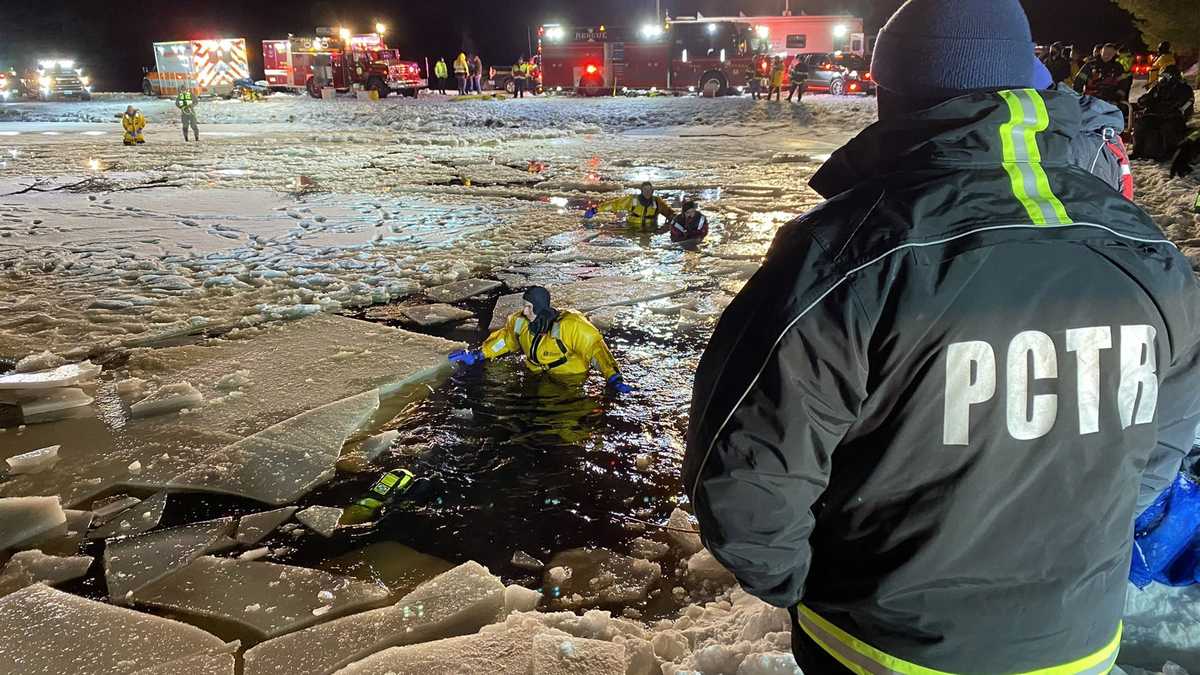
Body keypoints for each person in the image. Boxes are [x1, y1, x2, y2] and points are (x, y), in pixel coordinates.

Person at [684, 0, 1200, 673]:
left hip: (881, 648)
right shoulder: (1143, 249)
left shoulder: (843, 259)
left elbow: (743, 480)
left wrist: (810, 585)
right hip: (1079, 645)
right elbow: (1163, 444)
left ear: (891, 97)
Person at [449, 286, 632, 393]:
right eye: (524, 306)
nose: (524, 311)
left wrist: (613, 377)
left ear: (540, 307)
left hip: (570, 380)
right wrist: (479, 354)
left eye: (529, 307)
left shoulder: (571, 326)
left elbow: (596, 351)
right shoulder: (520, 322)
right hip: (535, 375)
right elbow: (506, 340)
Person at [1133, 65, 1196, 161]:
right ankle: (1137, 151)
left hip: (1174, 116)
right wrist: (1145, 101)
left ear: (1173, 76)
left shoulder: (1184, 88)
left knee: (1167, 127)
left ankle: (1168, 152)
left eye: (1166, 76)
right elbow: (1145, 98)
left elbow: (1185, 103)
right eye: (1162, 76)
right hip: (1156, 114)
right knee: (1141, 124)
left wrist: (1173, 108)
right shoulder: (1158, 87)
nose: (1163, 78)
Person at [584, 181, 675, 230]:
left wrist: (674, 219)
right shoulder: (632, 200)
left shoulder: (657, 202)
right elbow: (614, 204)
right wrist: (595, 210)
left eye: (649, 190)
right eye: (645, 190)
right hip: (631, 227)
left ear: (652, 191)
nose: (647, 192)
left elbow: (669, 213)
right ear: (641, 191)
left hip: (651, 228)